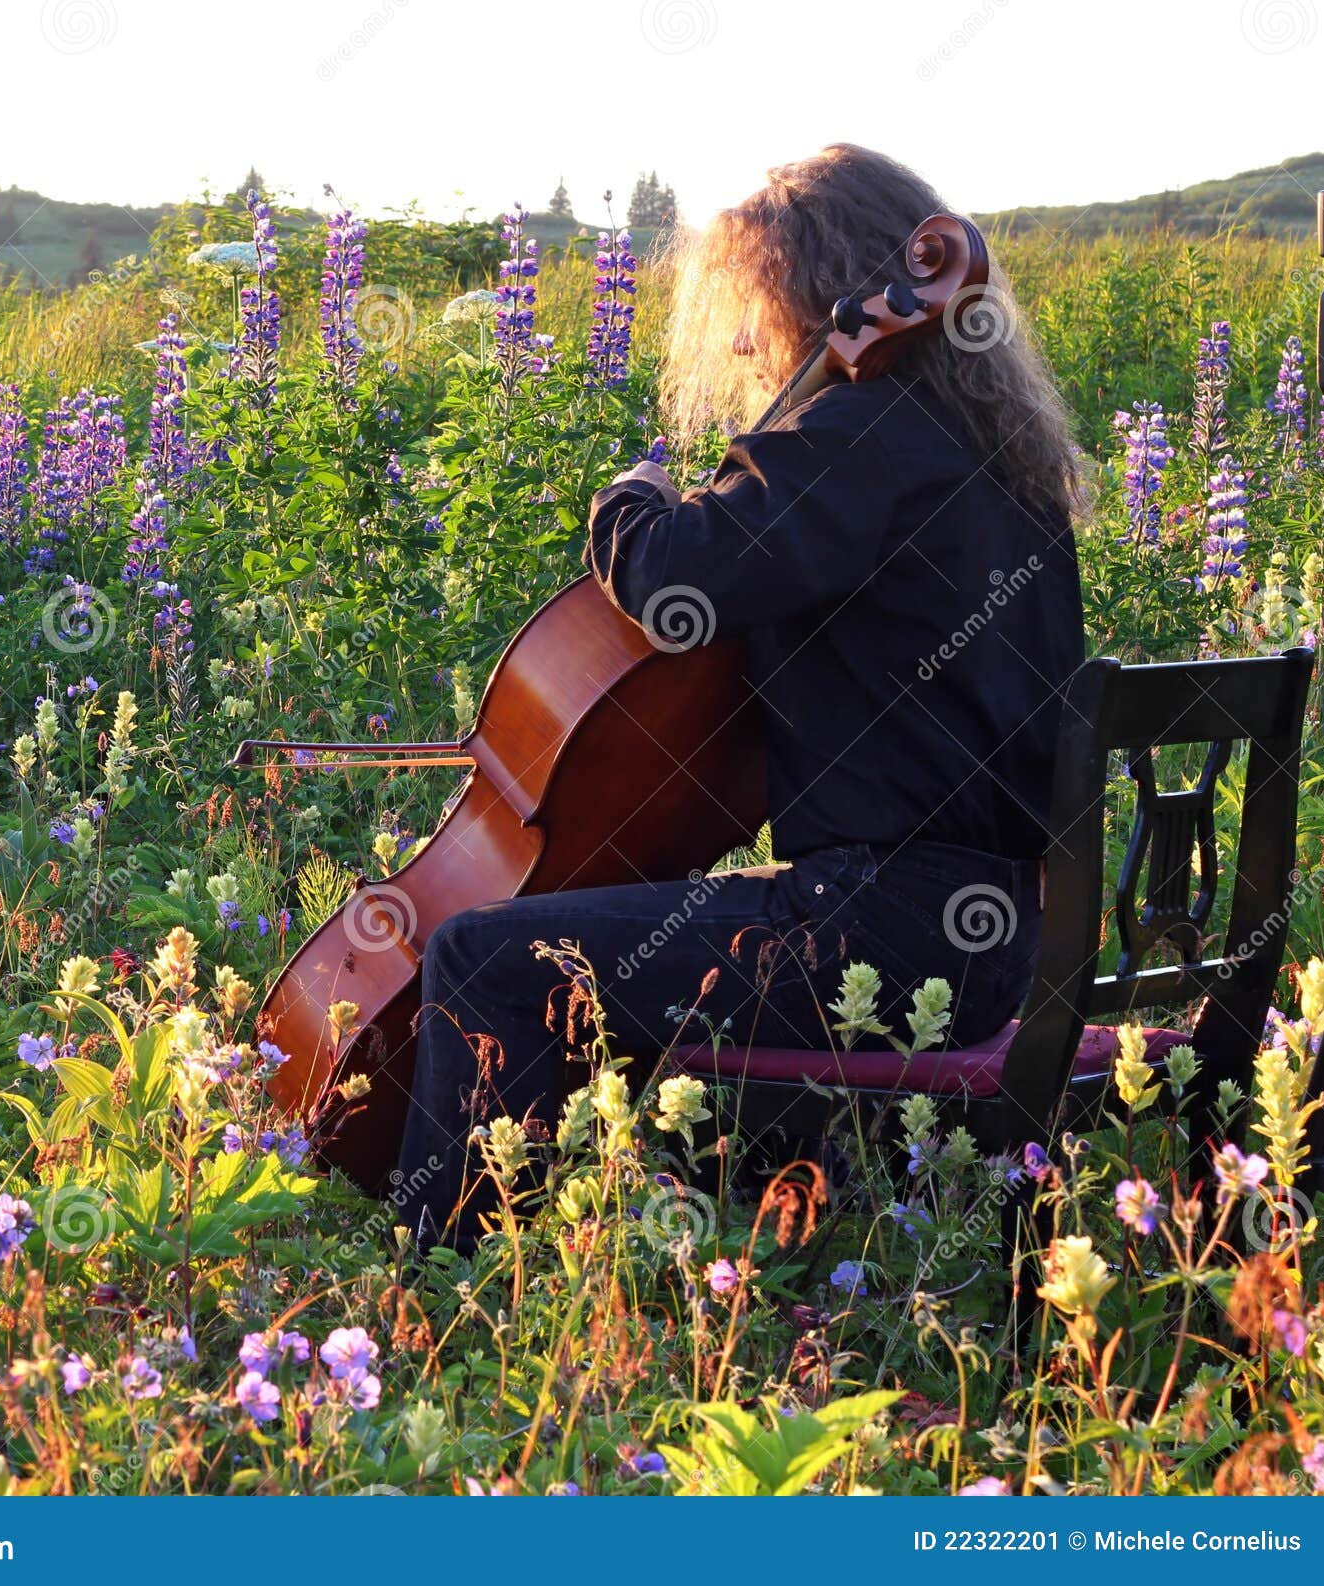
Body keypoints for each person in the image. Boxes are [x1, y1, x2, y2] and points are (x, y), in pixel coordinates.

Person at [394, 143, 1086, 1248]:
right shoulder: (991, 452)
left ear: (811, 288)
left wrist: (630, 494)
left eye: (753, 305)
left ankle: (441, 1281)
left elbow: (674, 578)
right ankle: (638, 1240)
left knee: (489, 957)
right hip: (1001, 938)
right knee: (615, 938)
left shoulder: (856, 437)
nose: (741, 340)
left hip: (885, 937)